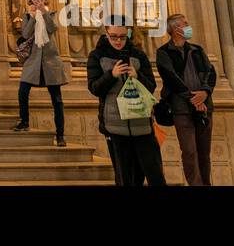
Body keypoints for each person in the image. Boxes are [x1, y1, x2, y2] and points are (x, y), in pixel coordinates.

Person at [88, 21, 165, 186]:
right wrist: (111, 74)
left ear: (128, 34)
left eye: (122, 37)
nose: (118, 41)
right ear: (107, 33)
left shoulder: (138, 55)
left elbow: (151, 86)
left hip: (143, 125)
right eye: (114, 37)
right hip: (116, 127)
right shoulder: (97, 56)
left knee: (155, 175)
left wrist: (137, 77)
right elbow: (94, 88)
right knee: (125, 179)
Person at [155, 12, 217, 185]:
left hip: (204, 107)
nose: (189, 26)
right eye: (185, 23)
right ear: (176, 29)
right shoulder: (164, 52)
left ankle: (206, 183)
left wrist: (205, 92)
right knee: (189, 151)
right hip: (181, 108)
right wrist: (193, 99)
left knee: (204, 151)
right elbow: (171, 78)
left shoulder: (197, 50)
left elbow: (211, 73)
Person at [12, 0, 68, 146]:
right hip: (33, 61)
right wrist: (33, 16)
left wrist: (42, 11)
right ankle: (24, 121)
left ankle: (61, 135)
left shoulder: (51, 13)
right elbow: (26, 34)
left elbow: (52, 28)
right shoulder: (27, 15)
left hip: (50, 61)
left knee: (57, 99)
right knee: (23, 90)